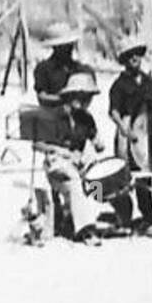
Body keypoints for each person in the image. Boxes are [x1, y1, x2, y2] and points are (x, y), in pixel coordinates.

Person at [41, 71, 106, 244]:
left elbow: (96, 141)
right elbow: (38, 144)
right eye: (84, 97)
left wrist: (98, 143)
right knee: (76, 182)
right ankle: (86, 230)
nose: (87, 102)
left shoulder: (86, 118)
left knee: (96, 180)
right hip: (57, 163)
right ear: (72, 96)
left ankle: (78, 216)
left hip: (77, 163)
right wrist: (64, 152)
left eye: (89, 98)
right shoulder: (54, 116)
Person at [107, 34, 152, 230]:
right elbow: (113, 111)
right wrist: (124, 130)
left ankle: (148, 212)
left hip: (146, 128)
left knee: (144, 173)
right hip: (127, 126)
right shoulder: (119, 84)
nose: (134, 58)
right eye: (130, 55)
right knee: (123, 174)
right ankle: (124, 216)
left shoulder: (149, 81)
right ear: (124, 59)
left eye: (137, 54)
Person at [33, 22, 95, 107]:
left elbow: (89, 94)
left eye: (70, 45)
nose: (69, 48)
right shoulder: (44, 69)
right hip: (52, 114)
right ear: (55, 47)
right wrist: (64, 100)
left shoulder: (82, 69)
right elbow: (42, 96)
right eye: (64, 46)